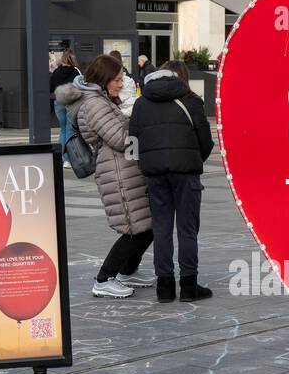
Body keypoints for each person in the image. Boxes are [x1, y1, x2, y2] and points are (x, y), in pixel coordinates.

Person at [59, 54, 155, 298]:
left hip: (122, 168)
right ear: (104, 79)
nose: (121, 84)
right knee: (134, 228)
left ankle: (127, 271)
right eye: (117, 80)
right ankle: (103, 279)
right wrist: (142, 126)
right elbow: (120, 139)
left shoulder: (99, 99)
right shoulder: (94, 104)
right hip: (117, 172)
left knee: (145, 226)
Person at [128, 60, 214, 303]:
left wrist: (148, 163)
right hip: (186, 172)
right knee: (187, 227)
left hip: (155, 174)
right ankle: (189, 284)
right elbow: (205, 141)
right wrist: (193, 159)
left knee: (161, 227)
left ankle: (164, 286)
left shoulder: (141, 103)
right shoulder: (191, 100)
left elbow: (132, 142)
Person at [49, 49, 80, 154]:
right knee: (70, 130)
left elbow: (51, 87)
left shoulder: (56, 72)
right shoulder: (76, 71)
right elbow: (80, 87)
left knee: (62, 130)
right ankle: (68, 158)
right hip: (71, 103)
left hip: (59, 102)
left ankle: (61, 156)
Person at [109, 50, 138, 115]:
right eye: (116, 80)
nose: (120, 85)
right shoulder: (127, 77)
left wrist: (118, 113)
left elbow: (132, 104)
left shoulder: (127, 80)